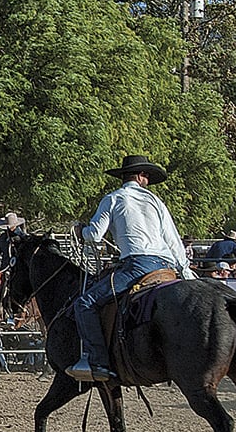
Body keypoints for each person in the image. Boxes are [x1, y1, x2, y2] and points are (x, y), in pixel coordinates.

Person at [69, 155, 196, 382]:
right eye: (146, 175)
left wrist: (81, 231)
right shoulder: (156, 202)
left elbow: (95, 236)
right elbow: (173, 240)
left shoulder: (113, 198)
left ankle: (97, 361)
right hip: (166, 265)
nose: (147, 179)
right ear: (140, 176)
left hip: (138, 264)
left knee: (84, 303)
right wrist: (185, 271)